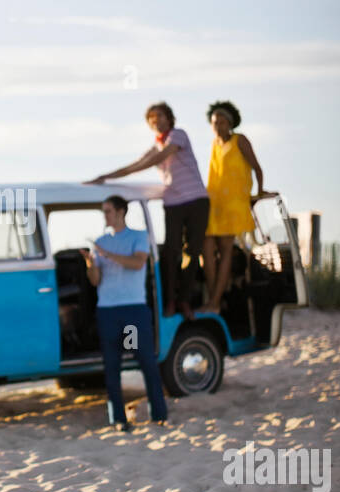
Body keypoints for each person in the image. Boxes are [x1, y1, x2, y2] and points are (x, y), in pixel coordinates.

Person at [89, 103, 209, 319]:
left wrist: (144, 163)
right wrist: (105, 177)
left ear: (169, 118)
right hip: (173, 202)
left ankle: (185, 300)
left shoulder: (178, 136)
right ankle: (171, 301)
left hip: (196, 200)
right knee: (171, 252)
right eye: (153, 120)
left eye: (160, 117)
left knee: (192, 252)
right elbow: (134, 166)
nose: (157, 122)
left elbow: (159, 158)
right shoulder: (156, 147)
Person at [82, 195, 168, 430]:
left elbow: (138, 263)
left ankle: (158, 415)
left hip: (132, 311)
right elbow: (95, 281)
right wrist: (91, 263)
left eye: (108, 211)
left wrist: (106, 254)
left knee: (144, 360)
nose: (105, 215)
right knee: (112, 366)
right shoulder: (100, 242)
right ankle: (119, 420)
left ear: (121, 212)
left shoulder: (138, 237)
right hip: (107, 311)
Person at [201, 101, 274, 313]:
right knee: (206, 248)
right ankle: (216, 297)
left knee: (225, 250)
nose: (218, 125)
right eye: (215, 122)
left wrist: (259, 192)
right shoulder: (215, 144)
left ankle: (214, 302)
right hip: (214, 204)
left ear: (230, 123)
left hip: (234, 204)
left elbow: (256, 168)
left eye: (222, 121)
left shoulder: (239, 140)